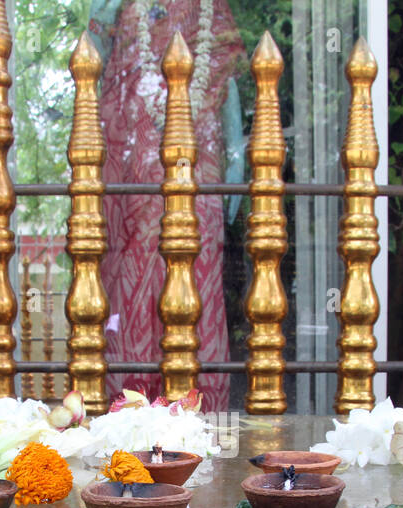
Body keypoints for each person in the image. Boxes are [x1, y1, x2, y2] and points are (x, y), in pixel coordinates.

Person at [87, 0, 245, 412]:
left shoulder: (211, 26)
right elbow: (91, 64)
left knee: (197, 299)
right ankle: (131, 430)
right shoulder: (127, 27)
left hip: (198, 200)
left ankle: (198, 433)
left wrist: (223, 206)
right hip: (140, 198)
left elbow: (234, 137)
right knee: (136, 294)